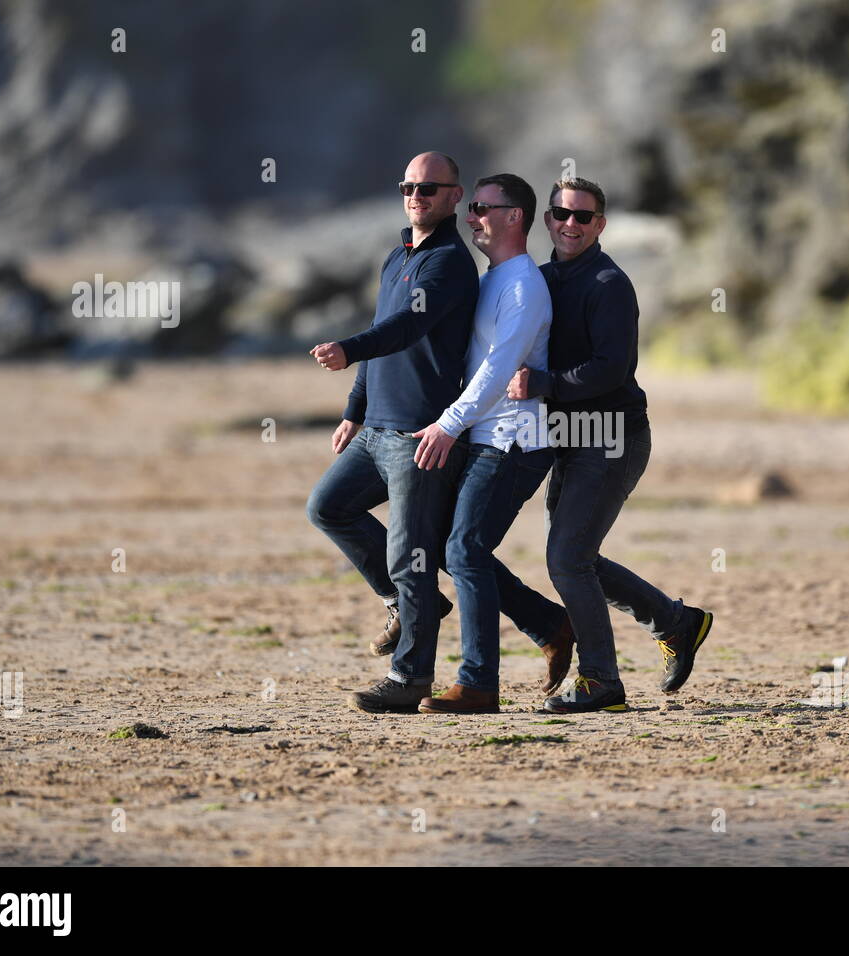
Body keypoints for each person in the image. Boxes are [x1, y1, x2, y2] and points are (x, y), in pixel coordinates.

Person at [503, 177, 714, 714]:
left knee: (567, 559)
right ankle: (675, 621)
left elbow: (610, 368)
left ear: (600, 225)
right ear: (546, 221)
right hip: (566, 437)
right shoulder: (542, 278)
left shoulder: (608, 282)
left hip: (613, 434)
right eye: (561, 215)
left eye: (583, 217)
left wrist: (543, 384)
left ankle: (601, 681)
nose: (570, 225)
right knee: (576, 557)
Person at [305, 151, 476, 714]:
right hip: (376, 428)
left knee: (413, 557)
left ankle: (410, 679)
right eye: (408, 185)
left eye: (429, 187)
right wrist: (355, 406)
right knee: (328, 508)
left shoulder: (449, 262)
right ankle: (400, 603)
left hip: (419, 432)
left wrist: (348, 347)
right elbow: (385, 337)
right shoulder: (398, 255)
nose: (416, 195)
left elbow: (407, 328)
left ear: (454, 195)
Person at [414, 173, 566, 715]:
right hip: (485, 434)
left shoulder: (523, 287)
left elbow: (499, 370)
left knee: (464, 549)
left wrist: (447, 424)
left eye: (481, 207)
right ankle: (549, 624)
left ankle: (478, 683)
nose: (471, 215)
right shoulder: (493, 279)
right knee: (449, 545)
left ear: (514, 217)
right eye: (471, 206)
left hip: (515, 438)